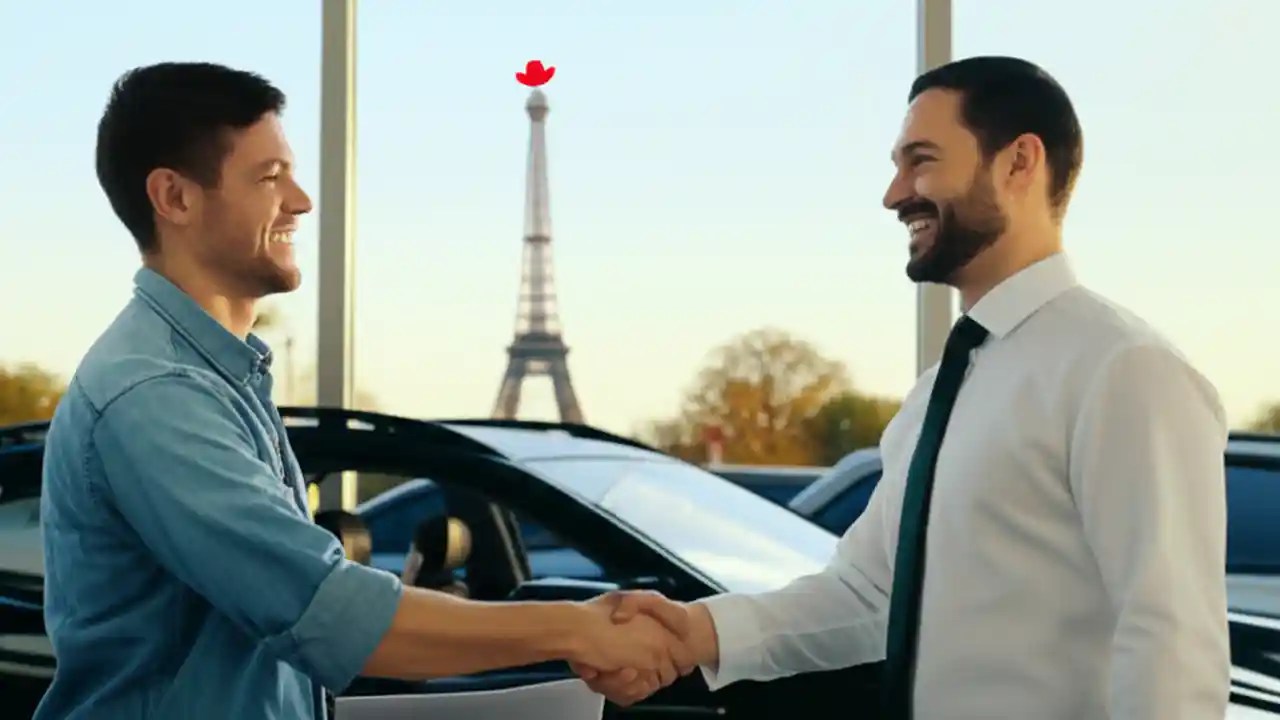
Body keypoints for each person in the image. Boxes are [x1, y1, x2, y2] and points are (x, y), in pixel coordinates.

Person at [576, 56, 1231, 719]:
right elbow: (870, 594)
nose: (894, 194)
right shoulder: (938, 394)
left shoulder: (1125, 369)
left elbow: (1170, 641)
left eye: (920, 161)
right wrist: (698, 634)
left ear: (1018, 163)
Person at [36, 62, 691, 720]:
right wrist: (574, 628)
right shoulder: (154, 395)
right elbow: (330, 614)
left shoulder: (208, 380)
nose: (301, 200)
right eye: (269, 177)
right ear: (175, 198)